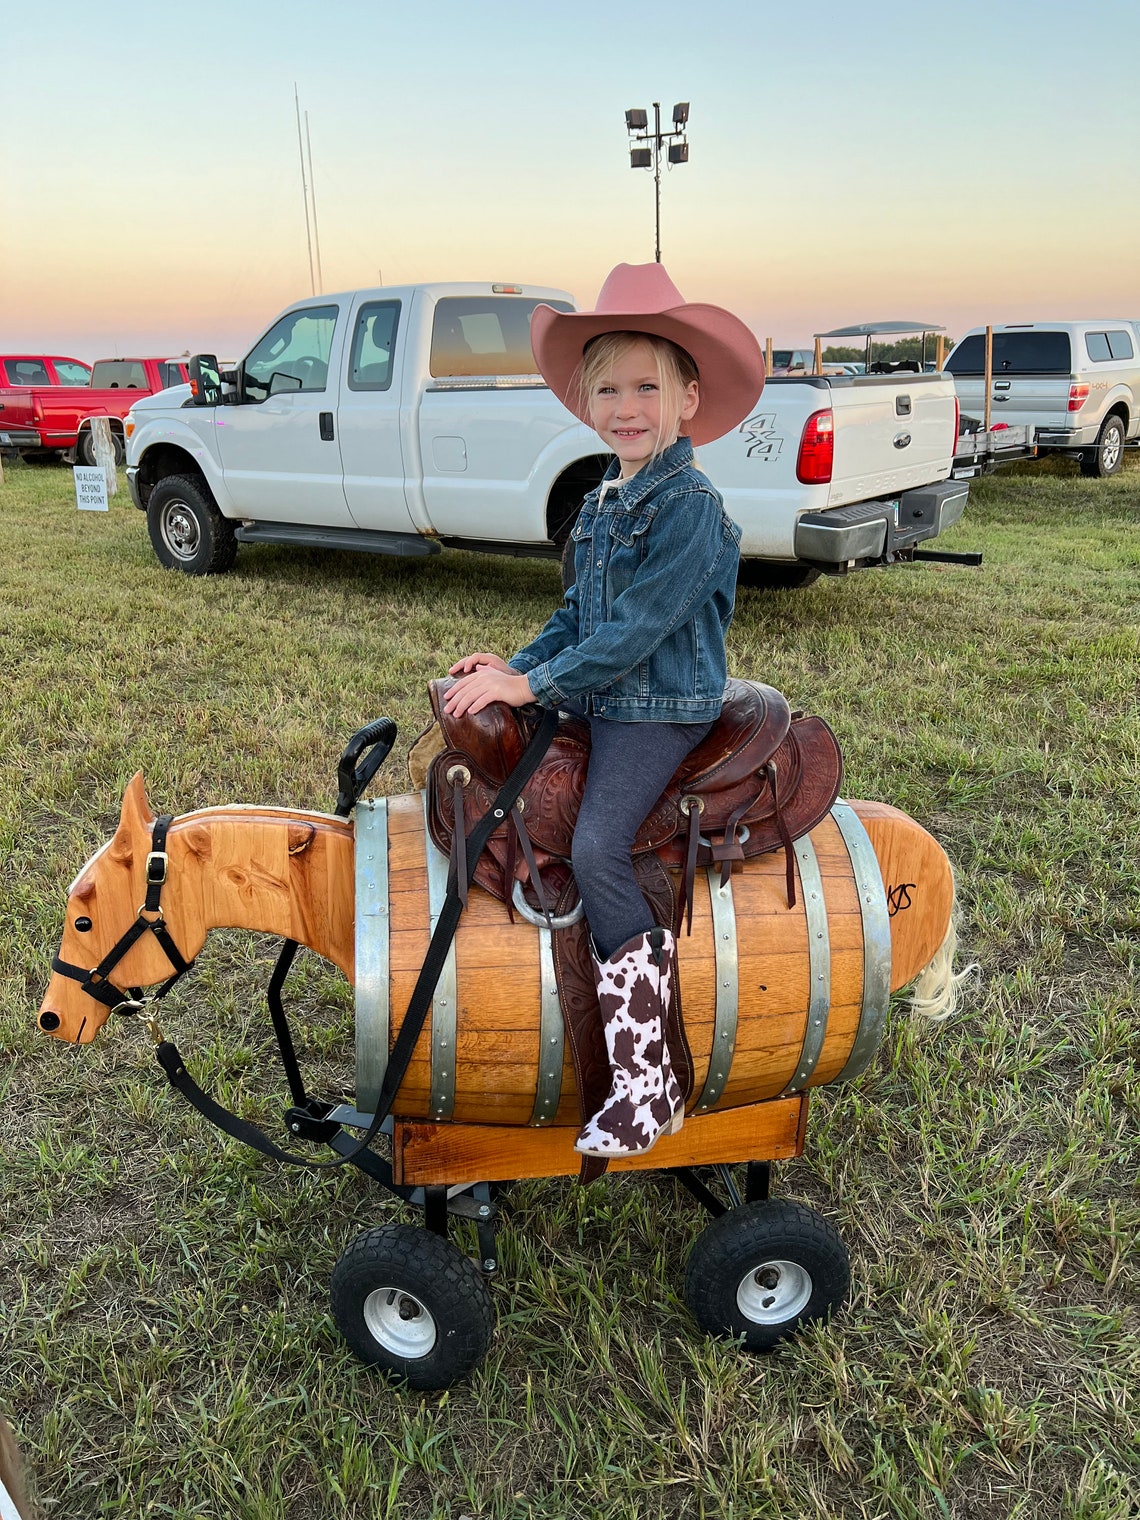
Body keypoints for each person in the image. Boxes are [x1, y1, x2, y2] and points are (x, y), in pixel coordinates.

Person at [445, 263, 765, 1158]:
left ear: (688, 399)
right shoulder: (600, 501)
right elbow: (576, 617)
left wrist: (534, 689)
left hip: (661, 705)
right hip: (608, 687)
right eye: (609, 389)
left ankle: (646, 1078)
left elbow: (634, 630)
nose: (628, 406)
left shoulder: (691, 508)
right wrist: (521, 664)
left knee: (594, 843)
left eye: (648, 387)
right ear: (587, 404)